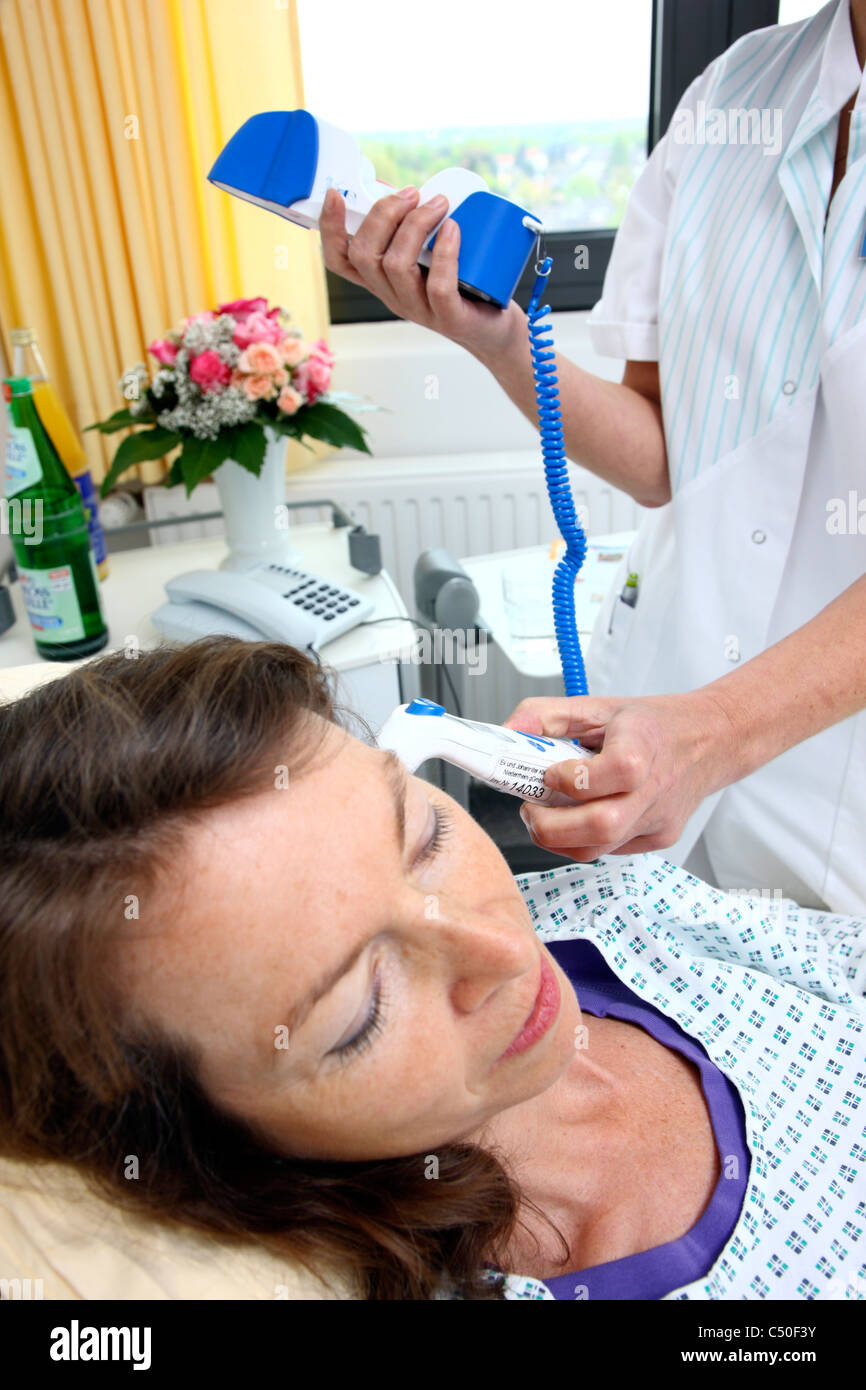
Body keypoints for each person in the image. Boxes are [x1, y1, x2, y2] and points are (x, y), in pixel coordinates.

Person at [1, 636, 864, 1301]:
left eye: (427, 839)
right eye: (363, 1012)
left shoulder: (609, 911)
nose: (504, 952)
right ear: (217, 1146)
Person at [318, 0, 866, 918]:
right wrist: (493, 343)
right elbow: (661, 449)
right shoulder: (732, 92)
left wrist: (719, 730)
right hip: (672, 707)